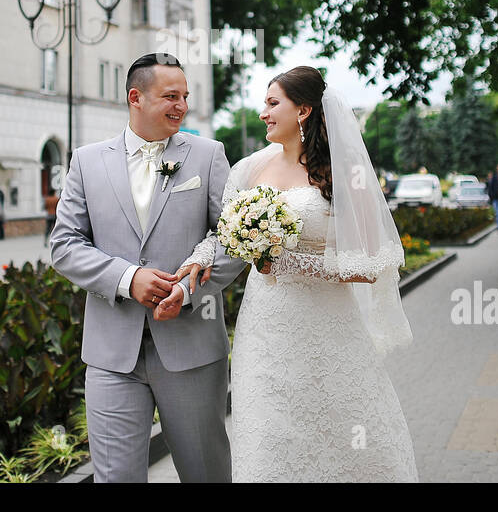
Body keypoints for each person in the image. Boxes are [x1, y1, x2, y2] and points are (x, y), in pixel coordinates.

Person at [176, 66, 418, 482]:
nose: (263, 114)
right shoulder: (249, 169)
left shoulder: (343, 175)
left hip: (328, 326)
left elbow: (374, 263)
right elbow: (223, 232)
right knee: (268, 431)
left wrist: (293, 262)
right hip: (265, 326)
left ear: (303, 110)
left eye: (273, 104)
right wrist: (198, 257)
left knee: (339, 431)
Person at [50, 53, 241, 483]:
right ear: (136, 97)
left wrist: (189, 289)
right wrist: (126, 278)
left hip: (191, 350)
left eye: (185, 97)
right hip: (111, 355)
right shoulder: (86, 160)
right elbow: (64, 245)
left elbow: (233, 239)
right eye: (170, 96)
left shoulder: (209, 156)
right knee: (115, 478)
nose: (182, 106)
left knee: (205, 473)